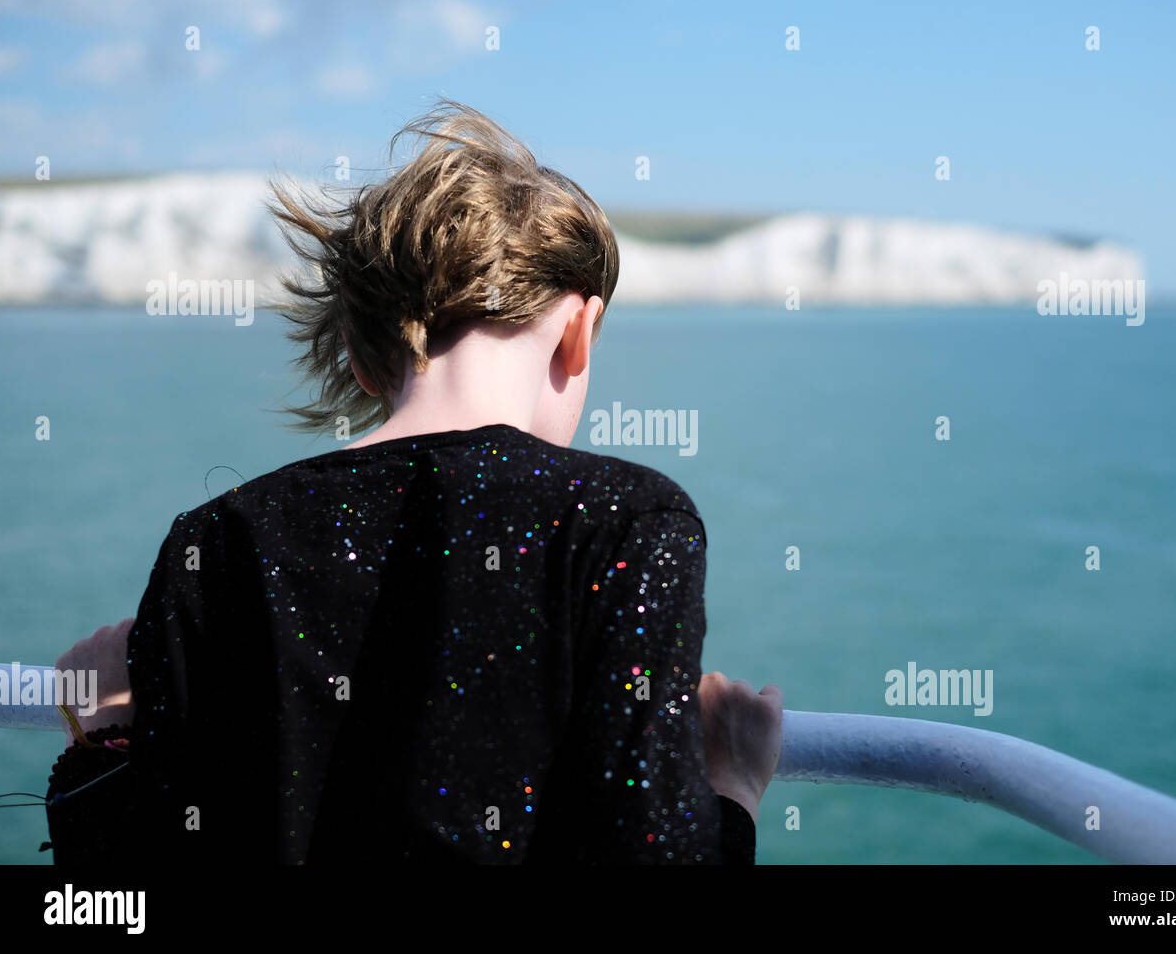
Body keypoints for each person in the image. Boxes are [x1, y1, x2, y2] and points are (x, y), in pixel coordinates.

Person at [48, 100, 783, 864]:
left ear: (362, 363)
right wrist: (731, 788)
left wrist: (103, 735)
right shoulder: (627, 522)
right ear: (578, 332)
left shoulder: (214, 540)